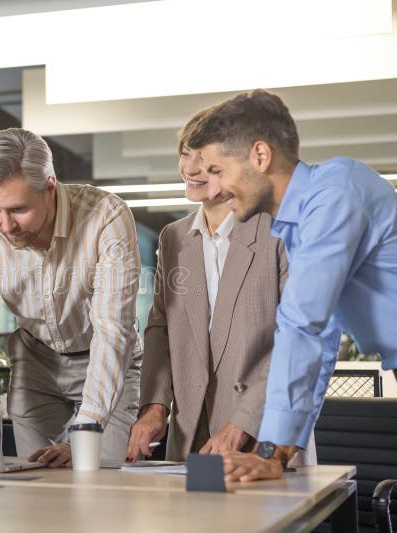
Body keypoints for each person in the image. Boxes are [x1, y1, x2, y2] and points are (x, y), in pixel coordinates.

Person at [188, 89, 397, 532]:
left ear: (260, 155)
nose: (211, 188)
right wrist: (284, 447)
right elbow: (325, 339)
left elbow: (301, 324)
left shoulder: (334, 193)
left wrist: (272, 449)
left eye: (217, 170)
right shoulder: (299, 222)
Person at [126, 113, 314, 466]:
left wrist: (243, 421)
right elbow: (162, 328)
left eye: (205, 158)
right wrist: (154, 407)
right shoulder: (173, 238)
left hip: (264, 434)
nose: (191, 168)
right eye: (185, 154)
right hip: (192, 434)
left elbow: (296, 340)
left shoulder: (280, 230)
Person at [0, 128, 142, 467]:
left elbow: (113, 330)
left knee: (99, 471)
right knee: (35, 479)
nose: (5, 225)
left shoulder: (106, 216)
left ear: (50, 188)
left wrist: (85, 431)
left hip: (104, 352)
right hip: (36, 361)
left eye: (18, 209)